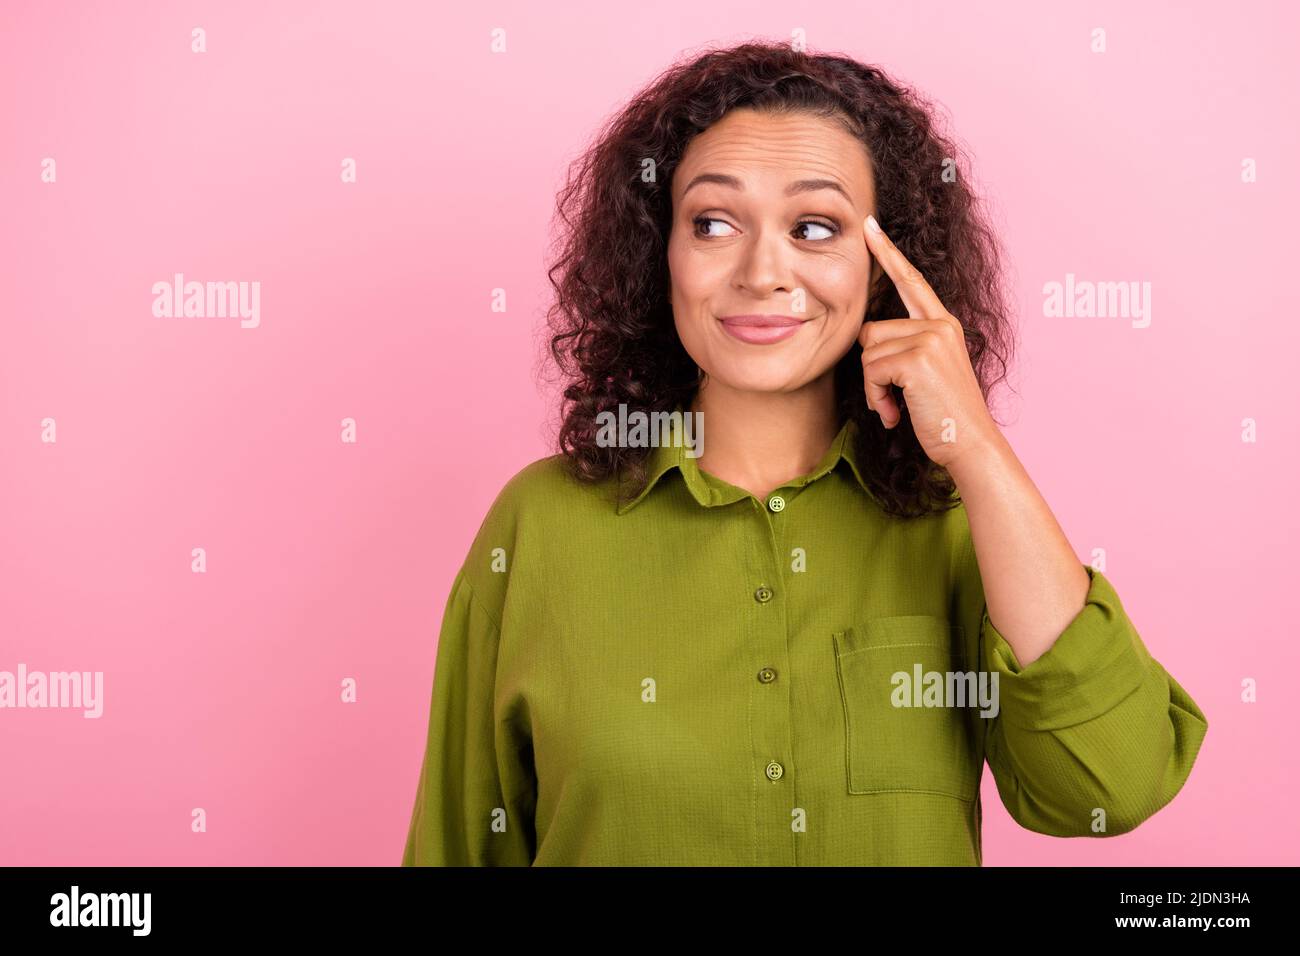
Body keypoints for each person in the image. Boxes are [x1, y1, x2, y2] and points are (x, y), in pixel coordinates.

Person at [401, 40, 1207, 866]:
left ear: (886, 265)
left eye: (814, 227)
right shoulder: (539, 526)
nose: (762, 272)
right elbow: (458, 842)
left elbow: (1115, 784)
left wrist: (976, 444)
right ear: (660, 254)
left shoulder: (964, 526)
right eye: (712, 223)